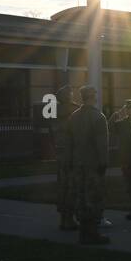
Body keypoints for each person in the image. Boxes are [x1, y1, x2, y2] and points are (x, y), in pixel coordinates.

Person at [68, 86, 110, 245]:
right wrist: (104, 163)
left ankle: (83, 232)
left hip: (78, 163)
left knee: (81, 197)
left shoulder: (73, 117)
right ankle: (91, 233)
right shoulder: (98, 117)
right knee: (93, 197)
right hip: (93, 164)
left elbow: (69, 142)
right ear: (93, 97)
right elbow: (101, 144)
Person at [108, 99, 131, 220]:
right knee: (130, 186)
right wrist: (117, 113)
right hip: (126, 159)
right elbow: (109, 127)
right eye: (127, 108)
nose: (129, 110)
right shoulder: (122, 123)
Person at [53, 85, 78, 231]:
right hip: (71, 153)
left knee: (62, 186)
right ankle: (68, 219)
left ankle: (64, 218)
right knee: (71, 186)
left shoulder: (53, 111)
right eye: (71, 93)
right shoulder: (74, 110)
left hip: (61, 152)